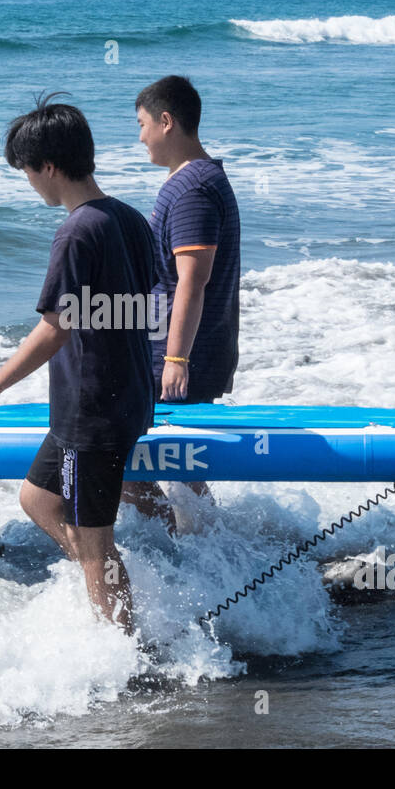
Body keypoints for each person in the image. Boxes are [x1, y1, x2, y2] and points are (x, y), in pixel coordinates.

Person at [0, 93, 155, 635]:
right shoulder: (130, 218)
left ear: (47, 166)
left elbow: (55, 328)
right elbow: (139, 301)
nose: (29, 183)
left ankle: (125, 650)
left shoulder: (75, 232)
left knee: (94, 540)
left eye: (26, 172)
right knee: (37, 499)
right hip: (129, 395)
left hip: (91, 411)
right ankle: (111, 588)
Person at [121, 76, 241, 533]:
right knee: (181, 468)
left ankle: (180, 550)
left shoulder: (192, 187)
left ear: (166, 122)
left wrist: (175, 358)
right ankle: (212, 548)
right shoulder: (197, 179)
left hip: (179, 355)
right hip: (188, 349)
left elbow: (193, 281)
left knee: (132, 465)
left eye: (142, 124)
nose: (140, 137)